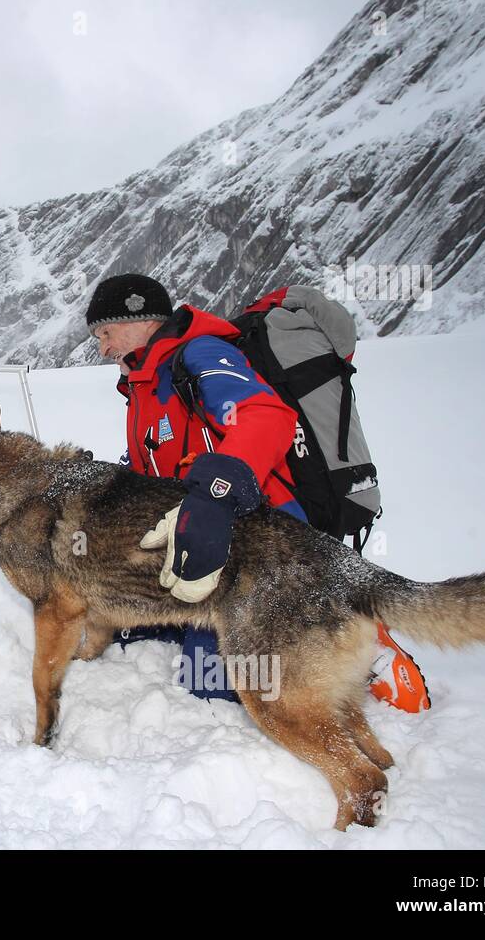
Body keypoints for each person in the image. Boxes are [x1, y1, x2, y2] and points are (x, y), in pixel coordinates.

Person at [86, 273, 425, 710]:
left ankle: (350, 628)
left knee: (219, 686)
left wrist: (216, 493)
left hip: (264, 543)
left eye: (106, 333)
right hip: (200, 548)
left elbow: (265, 417)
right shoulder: (144, 387)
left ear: (141, 320)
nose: (103, 348)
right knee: (129, 625)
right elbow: (153, 461)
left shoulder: (201, 355)